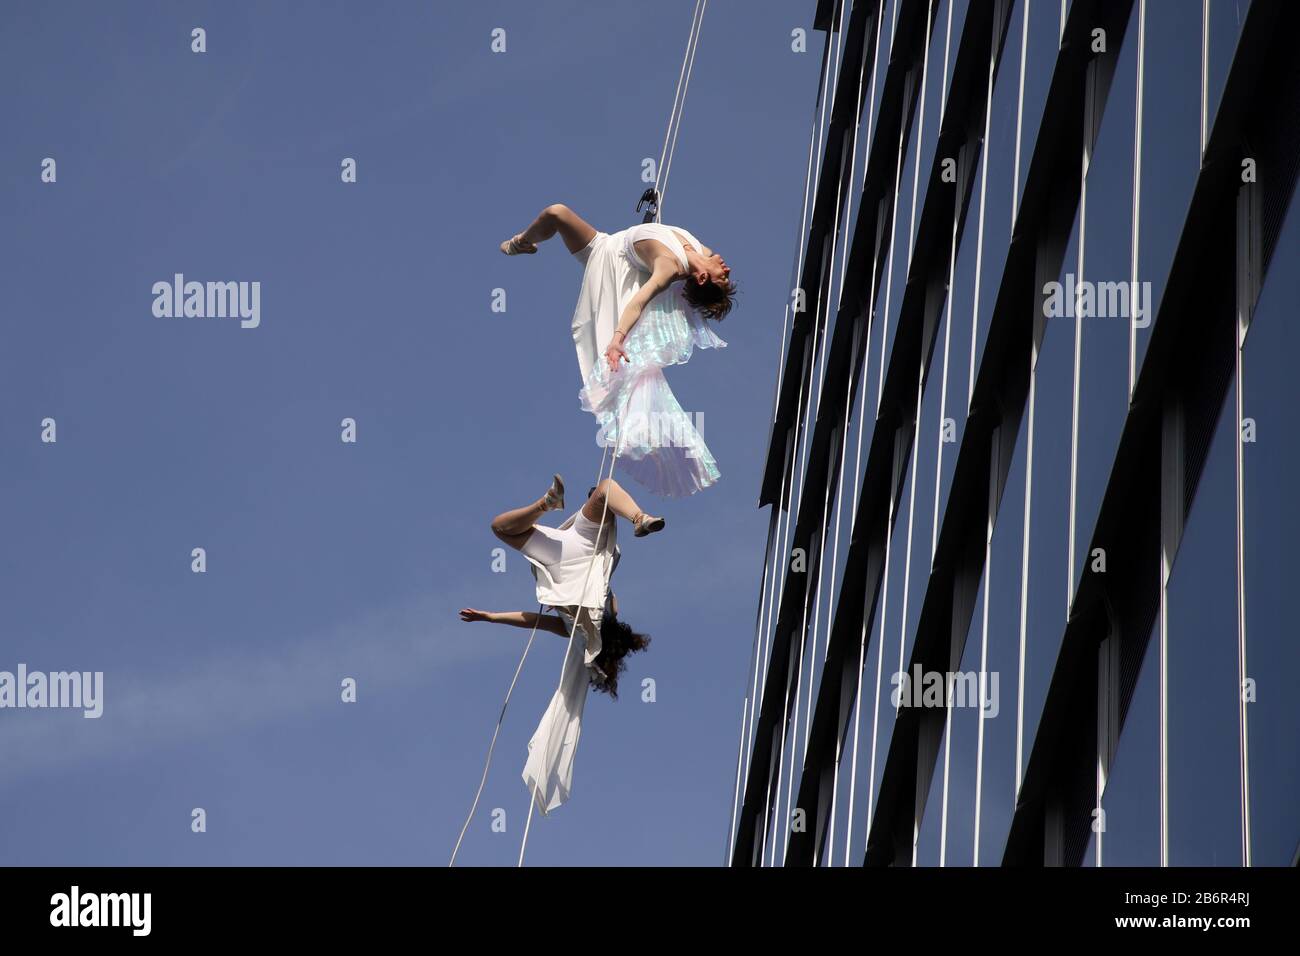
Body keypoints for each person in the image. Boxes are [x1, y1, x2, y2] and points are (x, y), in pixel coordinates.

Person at [500, 204, 737, 497]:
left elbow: (637, 303)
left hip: (604, 261)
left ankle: (515, 246)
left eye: (722, 276)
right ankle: (523, 242)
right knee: (554, 213)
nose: (726, 268)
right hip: (608, 241)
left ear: (702, 279)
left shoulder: (669, 266)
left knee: (558, 212)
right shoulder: (704, 250)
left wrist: (617, 339)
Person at [459, 473, 657, 813]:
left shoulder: (579, 627)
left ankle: (549, 504)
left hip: (563, 554)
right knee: (606, 488)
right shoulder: (605, 609)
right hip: (576, 547)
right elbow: (549, 616)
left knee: (500, 527)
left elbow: (534, 621)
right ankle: (632, 517)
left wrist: (490, 617)